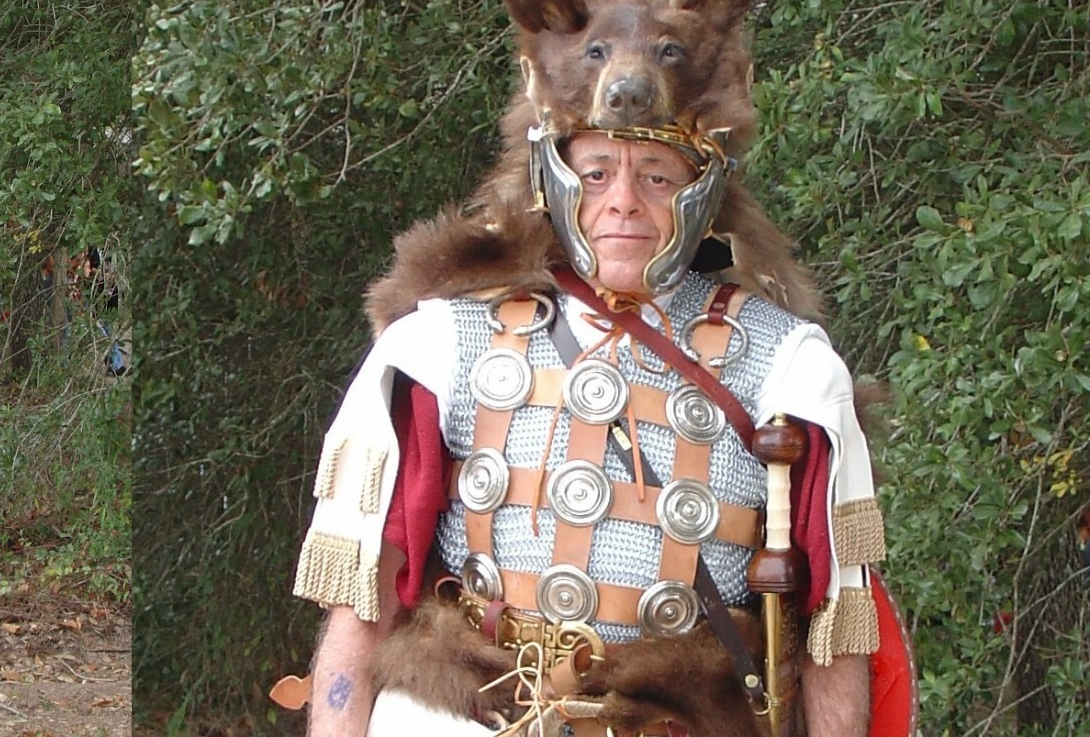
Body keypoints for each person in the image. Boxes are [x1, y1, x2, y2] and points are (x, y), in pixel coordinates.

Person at [290, 126, 885, 735]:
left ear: (701, 192)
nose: (623, 199)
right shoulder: (441, 344)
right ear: (556, 183)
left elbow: (831, 629)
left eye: (656, 175)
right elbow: (369, 596)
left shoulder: (788, 365)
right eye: (597, 172)